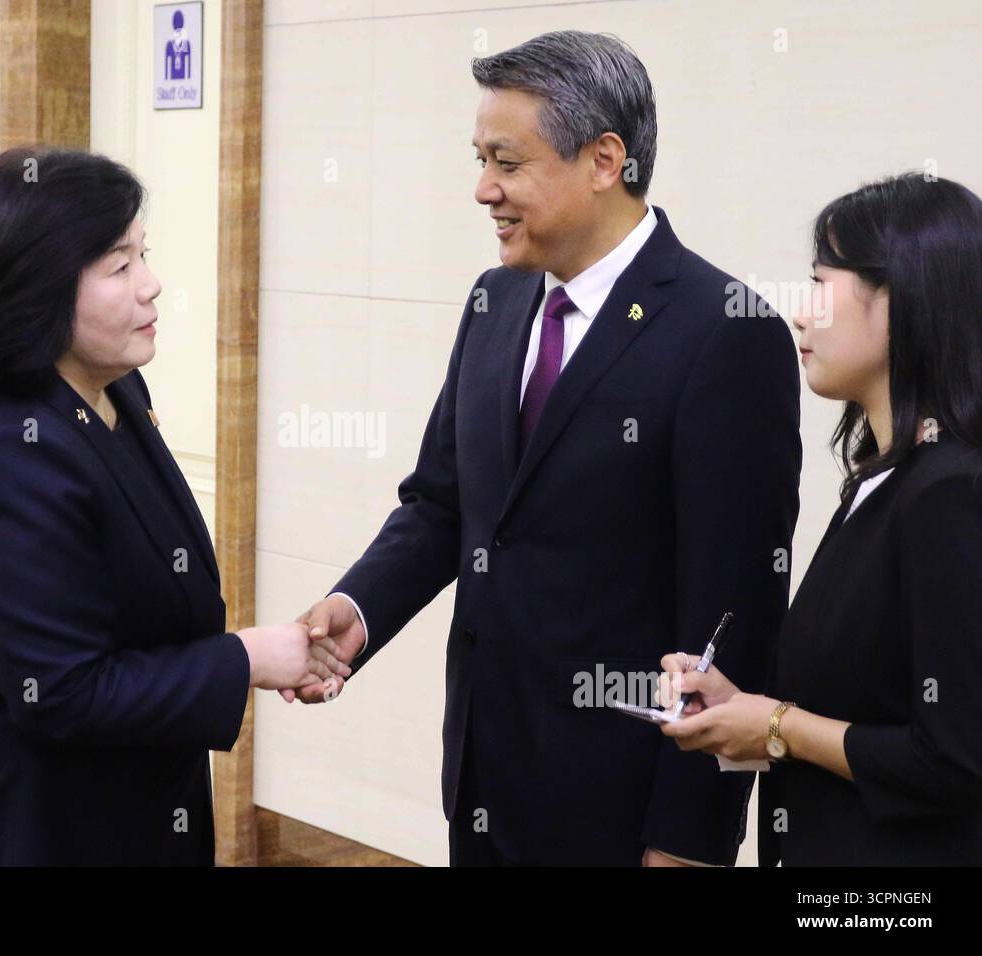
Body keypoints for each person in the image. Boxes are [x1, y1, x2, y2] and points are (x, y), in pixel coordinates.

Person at [290, 30, 803, 866]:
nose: (483, 189)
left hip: (621, 808)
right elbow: (444, 504)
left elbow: (731, 614)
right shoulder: (496, 301)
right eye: (479, 159)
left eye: (507, 161)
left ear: (605, 160)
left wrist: (689, 840)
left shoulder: (724, 332)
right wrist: (357, 611)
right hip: (485, 780)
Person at [0, 148, 344, 866]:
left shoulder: (115, 395)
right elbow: (61, 692)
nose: (152, 286)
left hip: (132, 815)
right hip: (38, 833)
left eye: (143, 255)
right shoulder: (8, 456)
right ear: (37, 289)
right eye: (119, 267)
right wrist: (246, 659)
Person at [660, 173, 982, 865]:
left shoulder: (950, 491)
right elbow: (865, 705)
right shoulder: (879, 480)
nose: (800, 315)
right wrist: (738, 708)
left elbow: (956, 758)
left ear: (904, 299)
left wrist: (778, 725)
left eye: (820, 283)